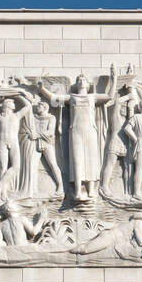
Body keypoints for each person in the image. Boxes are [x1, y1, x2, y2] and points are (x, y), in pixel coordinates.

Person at [37, 66, 118, 202]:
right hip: (75, 131)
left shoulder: (93, 97)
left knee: (91, 160)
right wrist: (42, 89)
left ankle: (92, 190)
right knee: (77, 159)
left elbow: (109, 96)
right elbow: (54, 98)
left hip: (90, 131)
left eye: (83, 79)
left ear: (87, 85)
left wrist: (114, 78)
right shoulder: (72, 97)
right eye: (79, 79)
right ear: (76, 84)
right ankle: (78, 191)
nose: (81, 81)